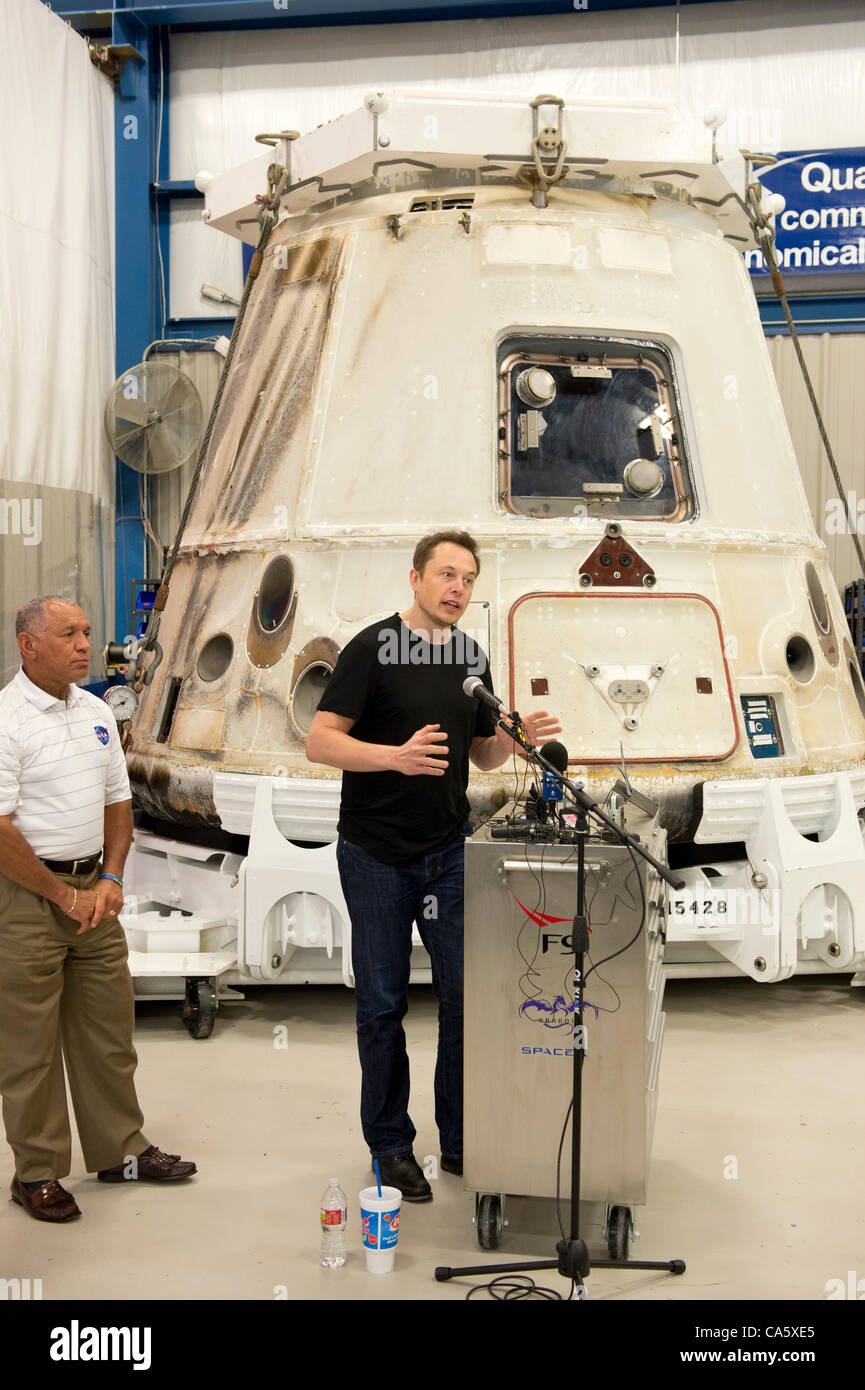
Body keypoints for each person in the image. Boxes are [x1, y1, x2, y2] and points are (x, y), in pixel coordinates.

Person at [306, 532, 561, 1200]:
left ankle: (459, 1140)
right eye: (446, 574)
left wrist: (513, 737)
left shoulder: (468, 656)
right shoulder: (372, 649)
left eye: (468, 578)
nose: (457, 588)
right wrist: (391, 756)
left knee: (466, 999)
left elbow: (480, 756)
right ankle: (390, 1144)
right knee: (383, 1004)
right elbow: (319, 742)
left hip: (448, 853)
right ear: (415, 578)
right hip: (376, 857)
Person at [0, 596, 196, 1223]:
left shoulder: (94, 712)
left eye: (87, 632)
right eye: (69, 635)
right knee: (29, 1045)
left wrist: (111, 877)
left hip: (94, 892)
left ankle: (120, 1150)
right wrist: (62, 895)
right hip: (29, 898)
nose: (86, 645)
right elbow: (0, 829)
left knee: (109, 1031)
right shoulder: (5, 720)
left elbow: (118, 801)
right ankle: (37, 1174)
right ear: (29, 646)